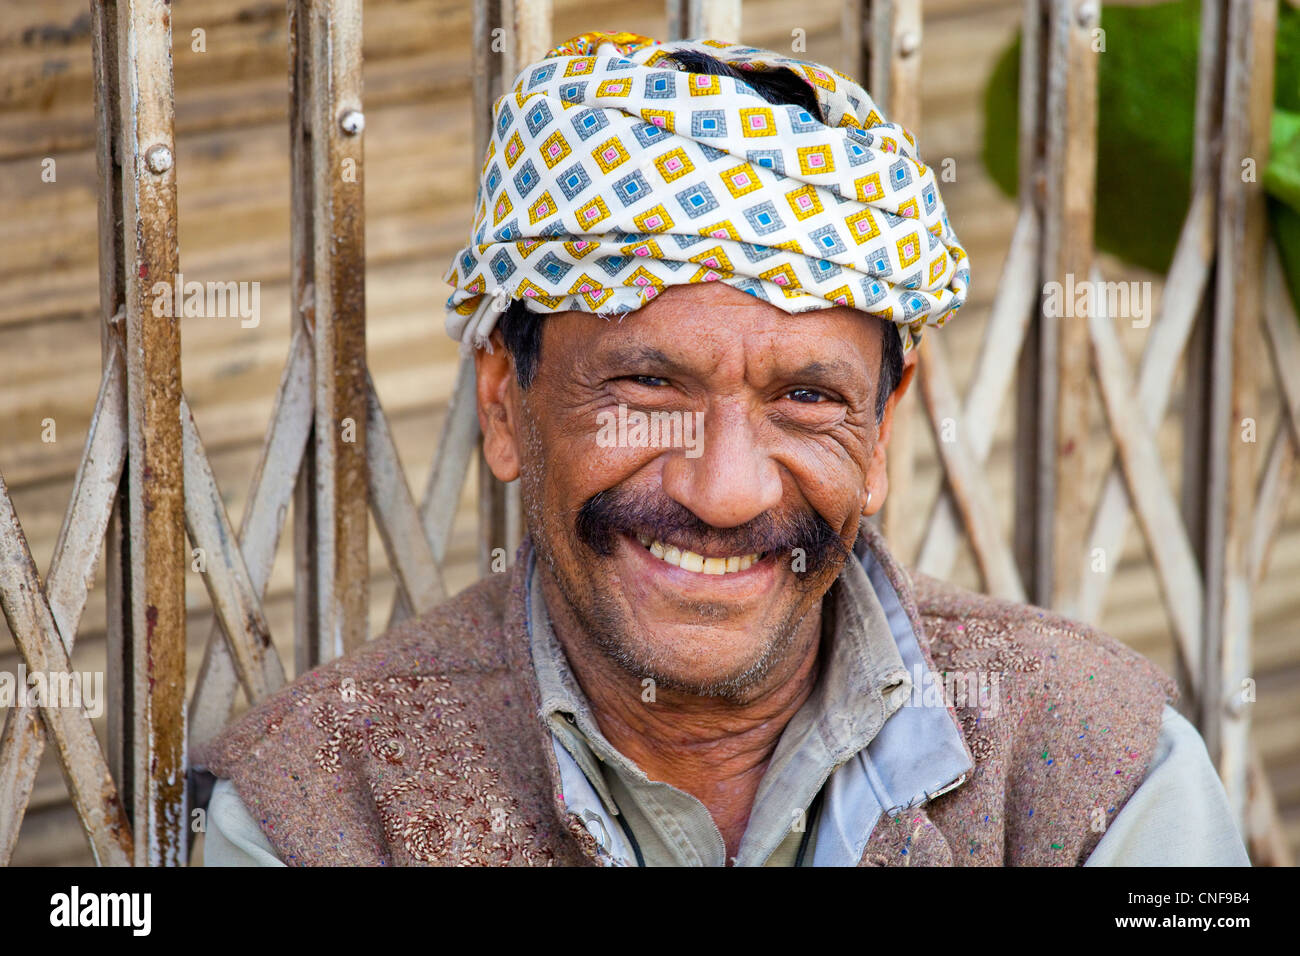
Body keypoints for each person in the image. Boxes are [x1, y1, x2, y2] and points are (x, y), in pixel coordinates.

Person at [196, 30, 1249, 866]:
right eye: (648, 384)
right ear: (506, 403)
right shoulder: (316, 812)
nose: (725, 490)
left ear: (880, 431)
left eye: (805, 397)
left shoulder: (1109, 774)